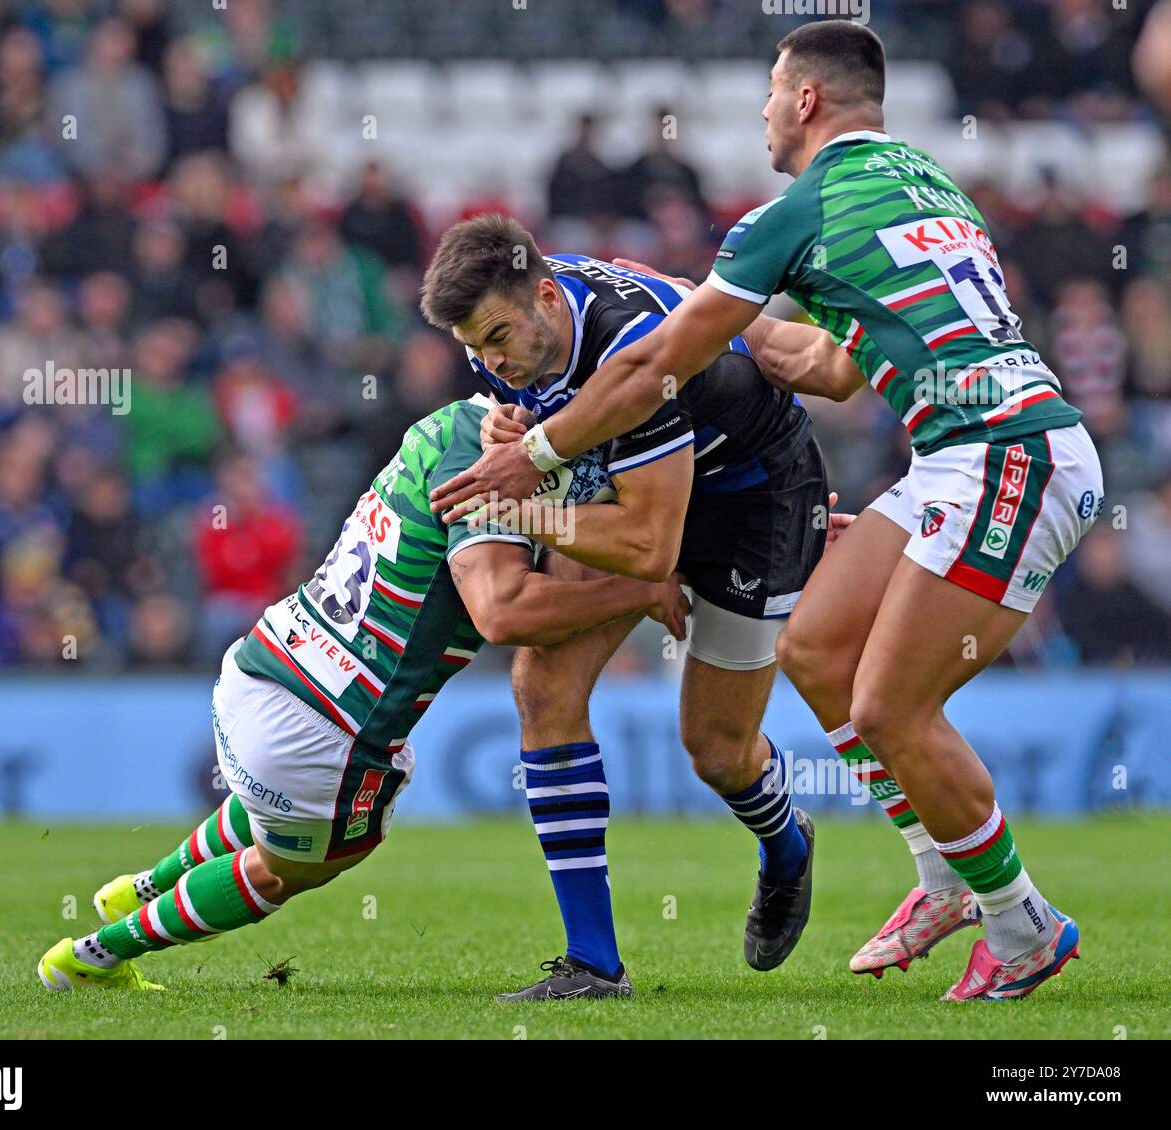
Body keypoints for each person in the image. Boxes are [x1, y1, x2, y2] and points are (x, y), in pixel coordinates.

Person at [431, 21, 1101, 1002]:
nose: (761, 114)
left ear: (807, 101)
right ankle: (940, 871)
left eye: (770, 94)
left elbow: (658, 364)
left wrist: (532, 457)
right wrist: (734, 340)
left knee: (887, 708)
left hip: (1001, 452)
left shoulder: (791, 213)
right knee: (818, 649)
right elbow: (834, 364)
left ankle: (1022, 921)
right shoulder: (923, 185)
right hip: (970, 450)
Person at [36, 395, 688, 991]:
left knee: (279, 811)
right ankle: (94, 956)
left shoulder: (450, 421)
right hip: (329, 725)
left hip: (266, 661)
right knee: (293, 864)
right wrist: (641, 590)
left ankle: (142, 887)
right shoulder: (487, 465)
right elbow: (504, 612)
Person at [419, 215, 861, 998]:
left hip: (753, 505)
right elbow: (565, 448)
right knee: (542, 685)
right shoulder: (523, 309)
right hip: (639, 492)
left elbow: (650, 549)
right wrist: (509, 422)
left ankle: (787, 845)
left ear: (548, 298)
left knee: (716, 750)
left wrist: (519, 509)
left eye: (495, 339)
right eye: (472, 350)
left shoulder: (627, 351)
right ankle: (594, 964)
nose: (489, 362)